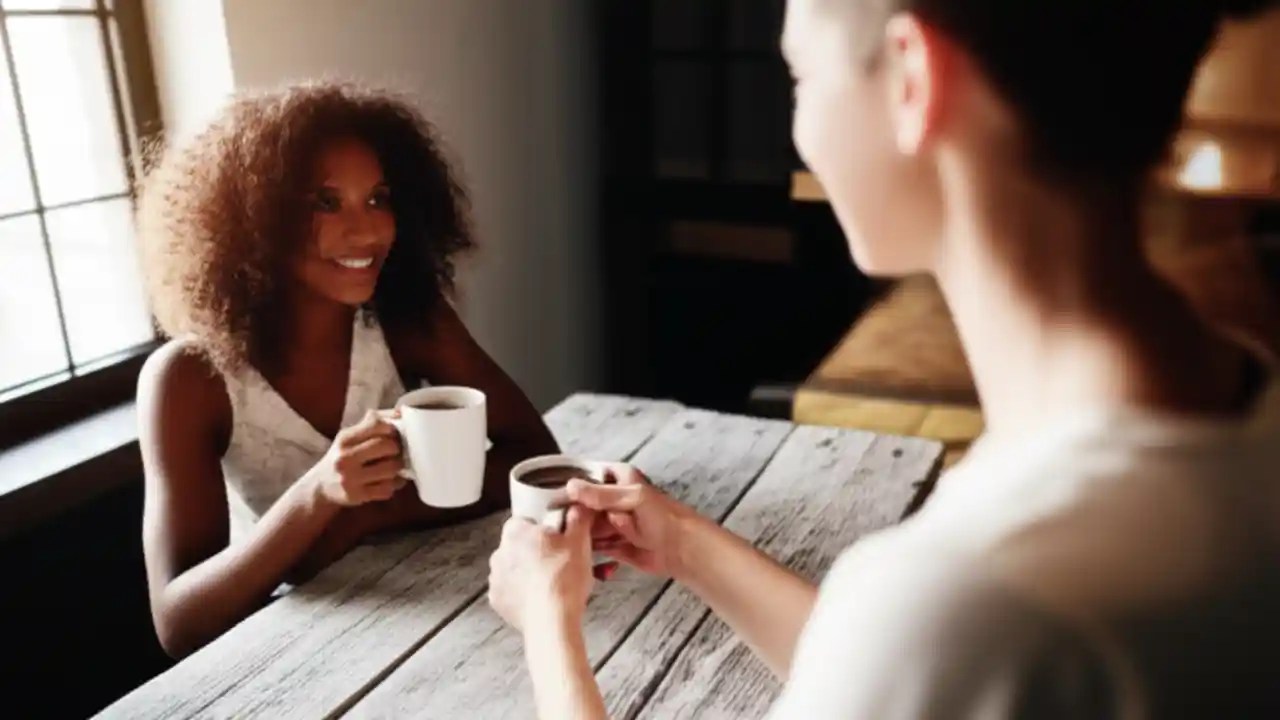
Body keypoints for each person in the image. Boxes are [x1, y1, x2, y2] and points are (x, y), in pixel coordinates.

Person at [486, 0, 1280, 717]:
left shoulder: (978, 597)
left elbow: (934, 641)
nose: (798, 126)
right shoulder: (1241, 402)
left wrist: (549, 629)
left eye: (800, 76)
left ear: (912, 78)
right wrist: (688, 544)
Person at [135, 82, 557, 658]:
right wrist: (319, 494)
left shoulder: (408, 320)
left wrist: (366, 516)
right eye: (326, 203)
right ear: (252, 220)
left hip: (434, 615)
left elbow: (534, 455)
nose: (367, 232)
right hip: (283, 654)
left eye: (379, 198)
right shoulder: (189, 379)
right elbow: (178, 624)